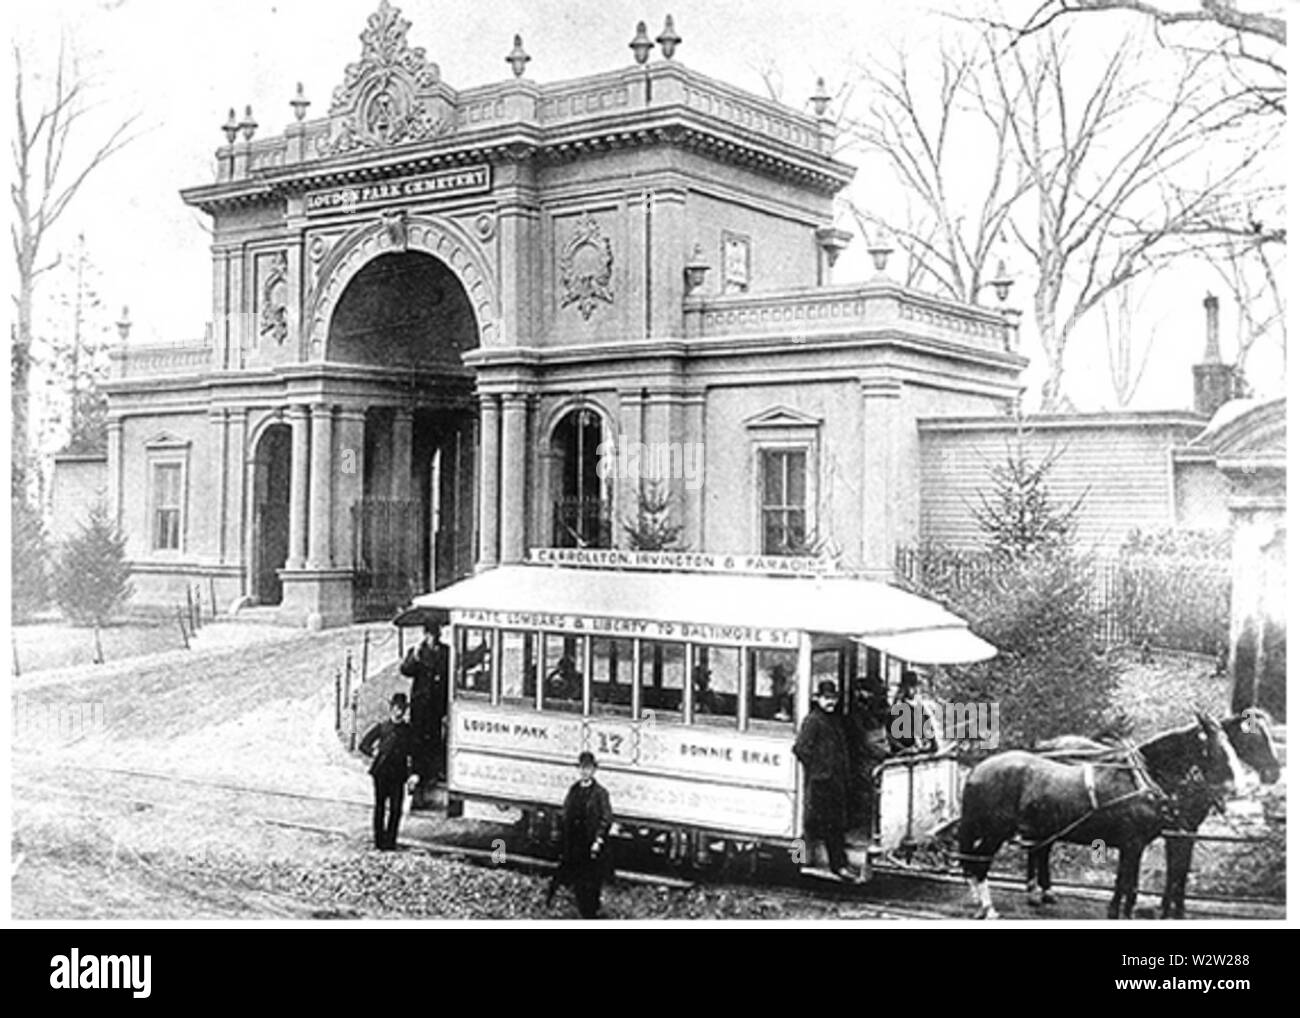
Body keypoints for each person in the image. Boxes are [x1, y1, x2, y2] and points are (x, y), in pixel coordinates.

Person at [793, 680, 859, 882]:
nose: (830, 702)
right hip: (822, 783)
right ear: (817, 698)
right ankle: (835, 866)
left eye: (833, 698)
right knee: (829, 826)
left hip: (835, 781)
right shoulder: (813, 720)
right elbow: (800, 749)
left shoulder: (835, 720)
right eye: (826, 698)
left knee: (833, 824)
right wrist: (819, 770)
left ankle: (822, 863)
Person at [549, 751, 614, 918]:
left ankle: (591, 912)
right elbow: (566, 812)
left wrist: (598, 839)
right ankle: (581, 910)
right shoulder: (574, 790)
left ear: (594, 770)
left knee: (591, 880)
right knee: (578, 879)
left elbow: (606, 818)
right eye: (582, 768)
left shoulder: (600, 793)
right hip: (575, 842)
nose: (585, 771)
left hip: (591, 843)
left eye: (589, 768)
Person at [358, 693, 418, 851]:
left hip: (398, 775)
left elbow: (413, 753)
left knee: (396, 809)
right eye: (397, 708)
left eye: (402, 709)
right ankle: (379, 841)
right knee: (380, 807)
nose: (399, 712)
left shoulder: (407, 730)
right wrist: (373, 752)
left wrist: (413, 774)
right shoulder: (382, 727)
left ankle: (391, 842)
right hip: (381, 773)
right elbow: (363, 744)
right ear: (391, 709)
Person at [401, 622, 449, 797]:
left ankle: (432, 775)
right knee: (418, 740)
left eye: (435, 634)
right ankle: (417, 774)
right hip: (420, 705)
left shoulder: (445, 652)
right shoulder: (418, 651)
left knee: (434, 738)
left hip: (437, 705)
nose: (432, 637)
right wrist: (414, 656)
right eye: (429, 634)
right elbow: (406, 670)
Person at [845, 678, 891, 830]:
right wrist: (884, 752)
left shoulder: (872, 710)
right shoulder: (856, 713)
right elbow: (863, 739)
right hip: (861, 758)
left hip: (872, 755)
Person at [889, 670, 945, 754]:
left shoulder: (920, 706)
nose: (915, 690)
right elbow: (893, 735)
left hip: (921, 748)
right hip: (904, 749)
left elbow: (929, 727)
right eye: (912, 687)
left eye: (916, 687)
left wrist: (932, 742)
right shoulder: (898, 707)